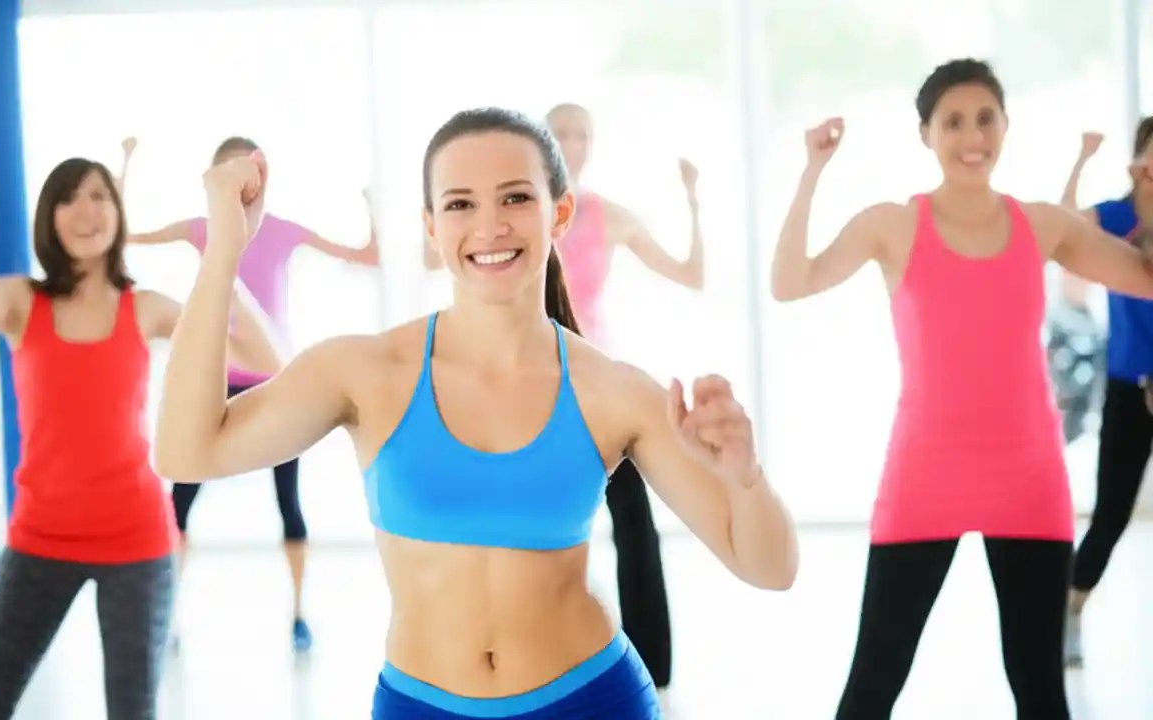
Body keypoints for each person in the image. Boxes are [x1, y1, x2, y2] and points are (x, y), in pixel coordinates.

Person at [157, 107, 798, 719]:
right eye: (461, 203)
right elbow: (186, 452)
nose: (489, 225)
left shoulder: (616, 392)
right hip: (421, 706)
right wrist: (224, 251)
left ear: (560, 213)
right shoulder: (364, 371)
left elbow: (769, 568)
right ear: (432, 227)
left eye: (516, 197)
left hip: (592, 702)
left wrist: (747, 479)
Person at [772, 59, 1153, 719]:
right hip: (924, 476)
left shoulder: (1041, 224)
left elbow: (1145, 276)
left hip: (1029, 479)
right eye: (953, 121)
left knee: (1040, 690)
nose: (973, 135)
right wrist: (812, 170)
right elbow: (791, 281)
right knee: (874, 683)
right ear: (926, 133)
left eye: (986, 118)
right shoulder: (892, 224)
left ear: (1006, 125)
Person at [0, 157, 282, 720]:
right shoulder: (21, 301)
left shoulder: (145, 308)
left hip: (135, 540)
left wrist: (224, 257)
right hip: (39, 537)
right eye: (69, 197)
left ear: (118, 212)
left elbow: (263, 357)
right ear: (50, 216)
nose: (85, 210)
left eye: (99, 196)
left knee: (131, 712)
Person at [421, 103, 704, 691]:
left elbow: (689, 273)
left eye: (582, 132)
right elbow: (438, 255)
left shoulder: (609, 217)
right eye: (562, 132)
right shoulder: (509, 217)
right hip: (516, 386)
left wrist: (693, 201)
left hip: (594, 396)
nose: (572, 141)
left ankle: (655, 663)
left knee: (634, 526)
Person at [123, 135, 379, 651]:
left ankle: (300, 615)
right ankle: (167, 618)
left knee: (289, 504)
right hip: (215, 378)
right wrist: (125, 165)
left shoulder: (281, 230)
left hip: (273, 379)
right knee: (179, 506)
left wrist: (370, 202)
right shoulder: (203, 231)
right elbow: (126, 236)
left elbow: (367, 256)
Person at [1057, 117, 1153, 667]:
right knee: (1112, 515)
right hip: (1126, 391)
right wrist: (1080, 161)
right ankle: (1070, 612)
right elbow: (1062, 230)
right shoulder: (1116, 218)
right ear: (1137, 164)